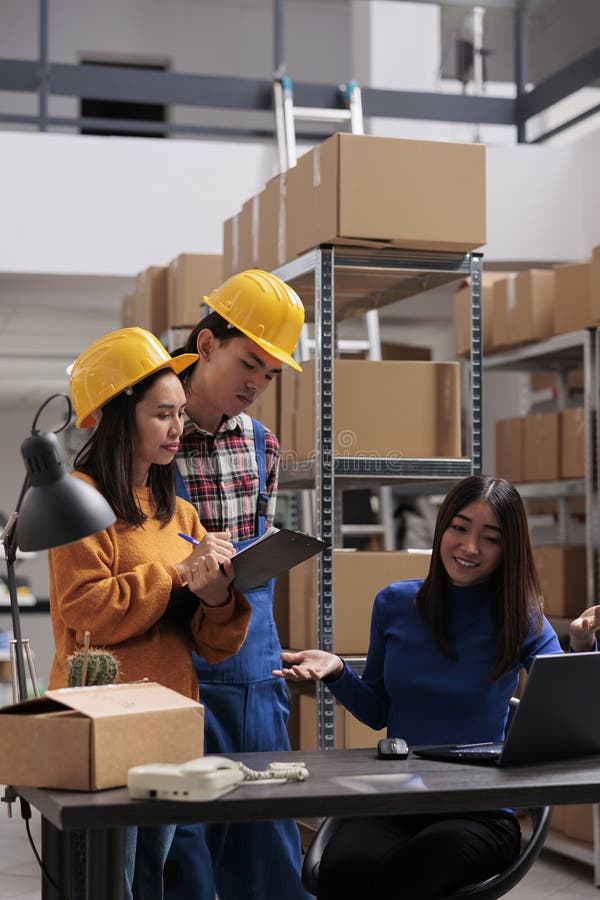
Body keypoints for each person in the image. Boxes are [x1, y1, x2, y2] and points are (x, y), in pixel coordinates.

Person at [273, 474, 600, 900]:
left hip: (480, 812)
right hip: (397, 799)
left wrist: (582, 644)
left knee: (412, 872)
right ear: (442, 527)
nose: (470, 547)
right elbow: (377, 711)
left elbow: (565, 706)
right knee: (344, 869)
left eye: (490, 538)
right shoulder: (393, 603)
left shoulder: (521, 616)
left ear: (509, 549)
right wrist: (337, 672)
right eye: (459, 528)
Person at [47, 326, 252, 900]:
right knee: (104, 885)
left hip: (166, 728)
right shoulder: (78, 501)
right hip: (102, 732)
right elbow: (87, 611)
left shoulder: (179, 513)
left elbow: (214, 644)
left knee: (146, 884)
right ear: (120, 417)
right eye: (163, 414)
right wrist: (176, 575)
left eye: (180, 412)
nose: (178, 427)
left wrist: (216, 595)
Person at [165, 269, 311, 900]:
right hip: (171, 649)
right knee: (183, 832)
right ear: (206, 344)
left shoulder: (262, 445)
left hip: (250, 657)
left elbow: (257, 537)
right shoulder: (151, 433)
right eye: (249, 363)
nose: (256, 384)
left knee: (263, 822)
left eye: (270, 374)